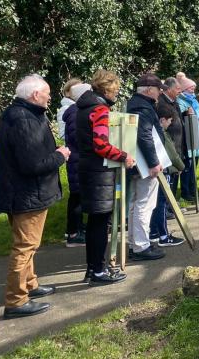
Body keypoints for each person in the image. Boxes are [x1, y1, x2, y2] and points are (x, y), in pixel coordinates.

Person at [0, 74, 71, 318]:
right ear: (35, 95)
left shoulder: (18, 113)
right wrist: (60, 155)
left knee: (28, 244)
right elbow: (32, 164)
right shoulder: (24, 119)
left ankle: (31, 285)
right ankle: (16, 301)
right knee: (25, 246)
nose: (51, 97)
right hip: (28, 194)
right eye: (47, 93)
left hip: (24, 192)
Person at [75, 71, 135, 285]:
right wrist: (124, 156)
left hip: (86, 168)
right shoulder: (100, 110)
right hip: (99, 172)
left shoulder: (81, 108)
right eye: (116, 89)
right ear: (107, 89)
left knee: (94, 222)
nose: (117, 93)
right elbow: (101, 144)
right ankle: (98, 271)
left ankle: (93, 269)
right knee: (100, 223)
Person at [126, 74, 166, 261]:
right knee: (145, 204)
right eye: (158, 89)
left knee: (136, 203)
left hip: (137, 163)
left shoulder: (135, 104)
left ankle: (136, 243)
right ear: (149, 89)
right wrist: (154, 162)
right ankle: (141, 246)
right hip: (144, 165)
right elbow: (144, 136)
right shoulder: (143, 107)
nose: (160, 93)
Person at [149, 78, 185, 247]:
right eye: (169, 121)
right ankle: (163, 235)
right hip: (164, 166)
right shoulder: (162, 133)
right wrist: (180, 166)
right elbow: (170, 151)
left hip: (164, 164)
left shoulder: (172, 104)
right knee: (161, 202)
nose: (171, 123)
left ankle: (154, 231)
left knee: (156, 202)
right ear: (163, 120)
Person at [62, 82, 92, 247]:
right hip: (77, 160)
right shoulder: (75, 113)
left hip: (78, 159)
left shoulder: (76, 111)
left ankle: (77, 228)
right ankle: (73, 233)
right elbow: (77, 138)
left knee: (78, 196)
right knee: (77, 197)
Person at [177, 76, 199, 202]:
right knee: (187, 167)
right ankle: (185, 192)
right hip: (189, 137)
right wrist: (185, 113)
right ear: (184, 89)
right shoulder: (180, 101)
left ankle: (193, 189)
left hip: (198, 136)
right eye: (190, 88)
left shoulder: (194, 100)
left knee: (194, 165)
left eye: (194, 87)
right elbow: (180, 116)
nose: (193, 89)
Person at [158, 77, 186, 202]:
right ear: (168, 89)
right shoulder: (161, 103)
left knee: (175, 178)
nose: (180, 91)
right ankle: (168, 208)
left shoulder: (174, 101)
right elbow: (164, 127)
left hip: (177, 146)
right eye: (177, 89)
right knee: (169, 179)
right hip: (169, 147)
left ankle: (171, 206)